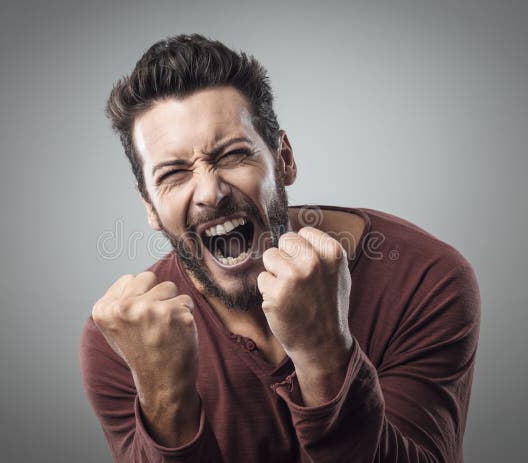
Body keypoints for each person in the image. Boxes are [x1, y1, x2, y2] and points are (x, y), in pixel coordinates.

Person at [80, 33, 480, 463]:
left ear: (283, 159)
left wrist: (324, 355)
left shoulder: (423, 278)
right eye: (173, 174)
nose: (210, 193)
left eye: (232, 155)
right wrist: (165, 398)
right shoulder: (123, 342)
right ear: (151, 208)